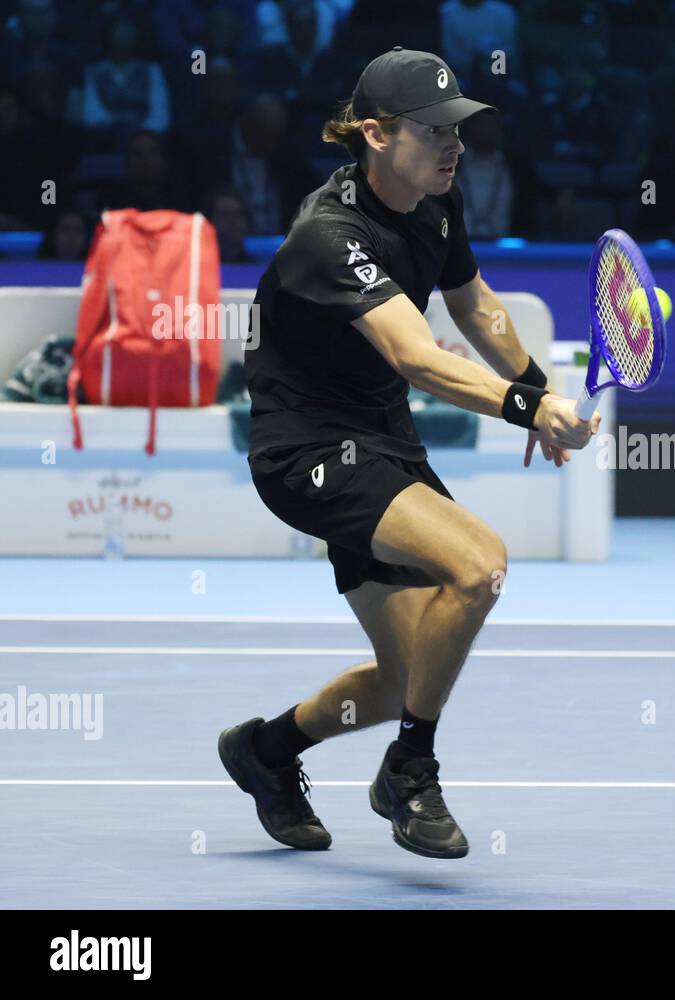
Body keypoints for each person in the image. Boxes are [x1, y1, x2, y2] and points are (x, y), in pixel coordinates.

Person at [219, 47, 598, 859]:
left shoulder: (438, 202)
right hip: (306, 449)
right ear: (374, 134)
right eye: (432, 132)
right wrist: (532, 406)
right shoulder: (329, 234)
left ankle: (266, 752)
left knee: (401, 680)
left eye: (456, 128)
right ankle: (411, 772)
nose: (453, 146)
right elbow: (418, 357)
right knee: (479, 564)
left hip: (381, 438)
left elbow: (477, 305)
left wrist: (531, 384)